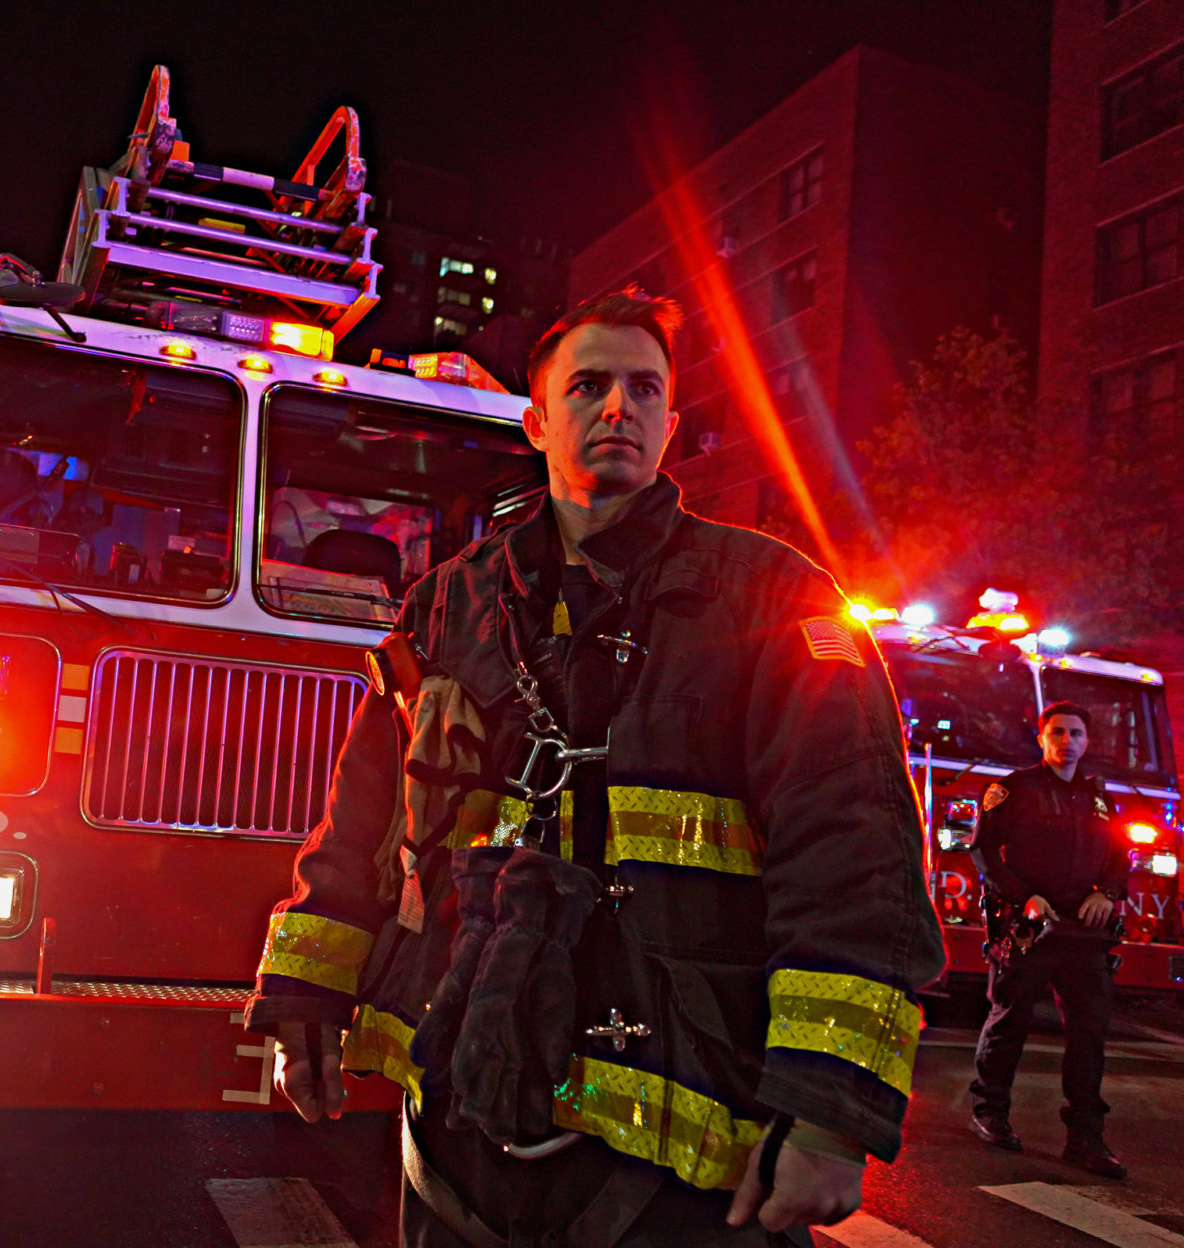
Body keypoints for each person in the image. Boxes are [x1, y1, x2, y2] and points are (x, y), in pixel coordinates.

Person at [244, 287, 946, 1247]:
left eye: (644, 389)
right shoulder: (449, 604)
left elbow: (852, 861)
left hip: (680, 1132)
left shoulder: (776, 601)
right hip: (461, 1113)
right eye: (589, 386)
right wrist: (308, 992)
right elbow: (367, 817)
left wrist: (828, 1114)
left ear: (669, 422)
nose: (619, 408)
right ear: (537, 420)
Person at [968, 700, 1129, 1178]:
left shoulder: (1099, 797)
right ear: (1042, 738)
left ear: (1087, 741)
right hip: (1029, 928)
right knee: (1009, 1022)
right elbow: (983, 852)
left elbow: (1122, 855)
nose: (1068, 741)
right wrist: (1025, 898)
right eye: (1058, 732)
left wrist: (1108, 893)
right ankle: (990, 1112)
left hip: (1084, 934)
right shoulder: (1013, 790)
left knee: (1089, 1036)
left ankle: (1086, 1137)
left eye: (1076, 733)